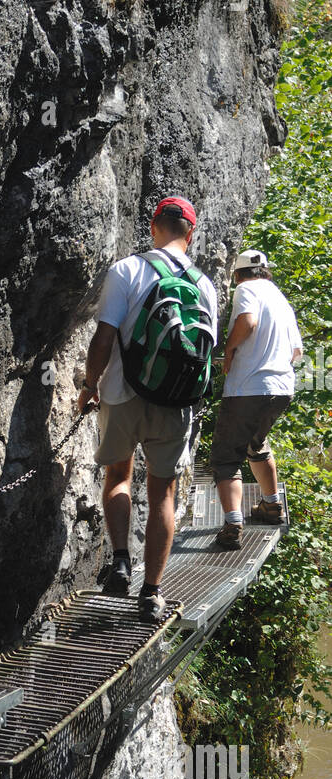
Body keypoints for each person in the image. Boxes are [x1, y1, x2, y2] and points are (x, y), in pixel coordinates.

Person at [79, 196, 219, 622]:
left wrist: (89, 386)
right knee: (163, 493)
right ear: (190, 234)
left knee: (118, 476)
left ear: (155, 225)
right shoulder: (206, 285)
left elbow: (103, 339)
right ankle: (153, 592)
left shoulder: (128, 270)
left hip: (123, 394)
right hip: (176, 402)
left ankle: (120, 560)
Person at [210, 249, 302, 548]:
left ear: (237, 274)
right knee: (256, 442)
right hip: (282, 386)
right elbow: (297, 352)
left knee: (226, 456)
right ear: (266, 270)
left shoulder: (246, 289)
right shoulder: (280, 298)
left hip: (249, 387)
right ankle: (272, 505)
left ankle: (233, 525)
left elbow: (247, 322)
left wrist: (230, 350)